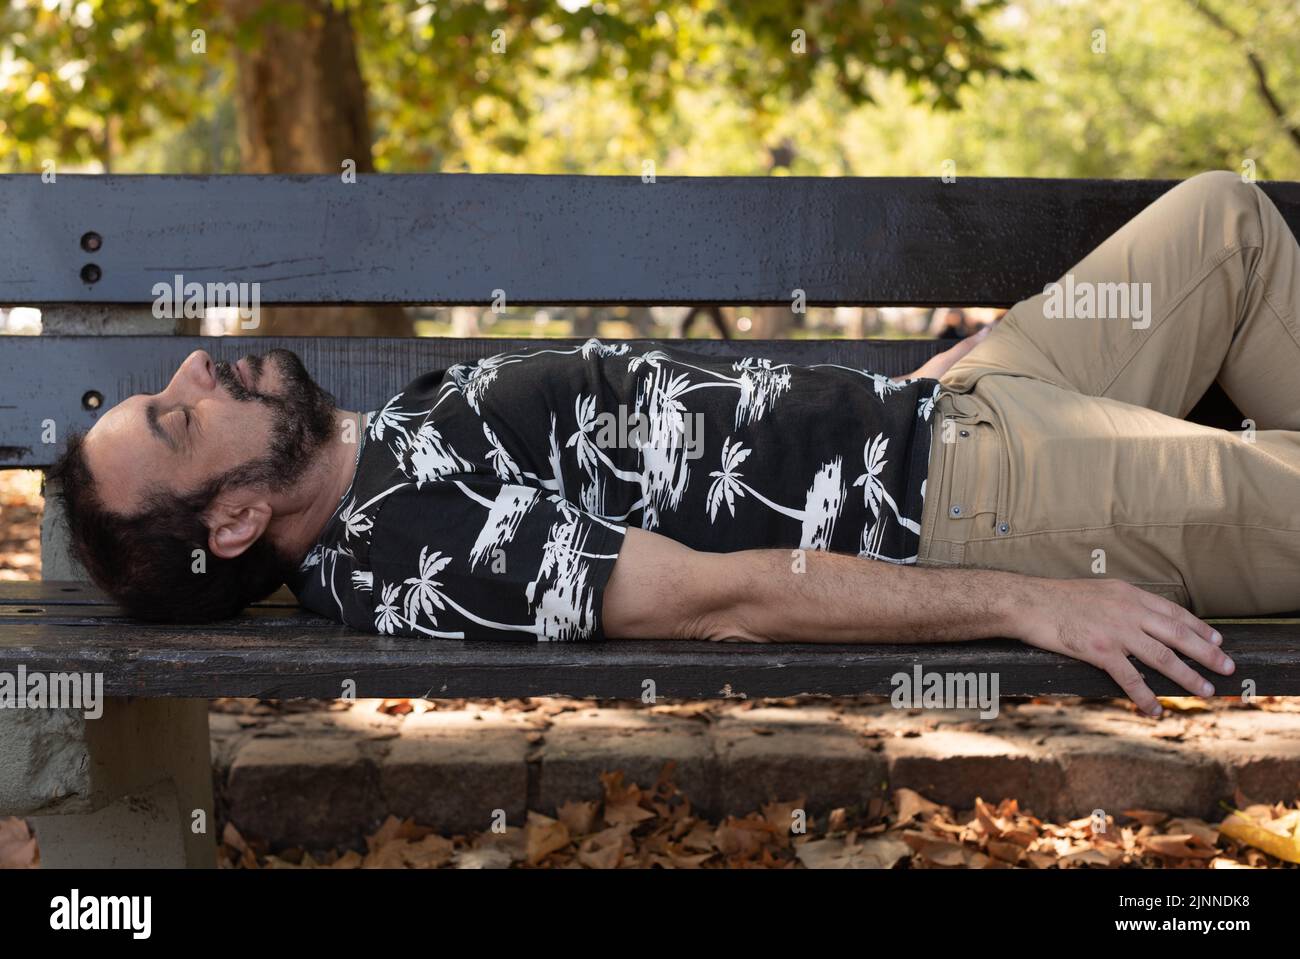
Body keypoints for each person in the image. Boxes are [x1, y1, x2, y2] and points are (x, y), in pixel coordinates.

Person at [49, 171, 1299, 716]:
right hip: (978, 497)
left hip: (954, 402)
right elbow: (733, 596)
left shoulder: (386, 452)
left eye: (171, 386)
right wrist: (1027, 601)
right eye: (176, 417)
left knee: (1226, 224)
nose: (196, 368)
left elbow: (685, 437)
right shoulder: (427, 554)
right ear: (229, 521)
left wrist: (911, 395)